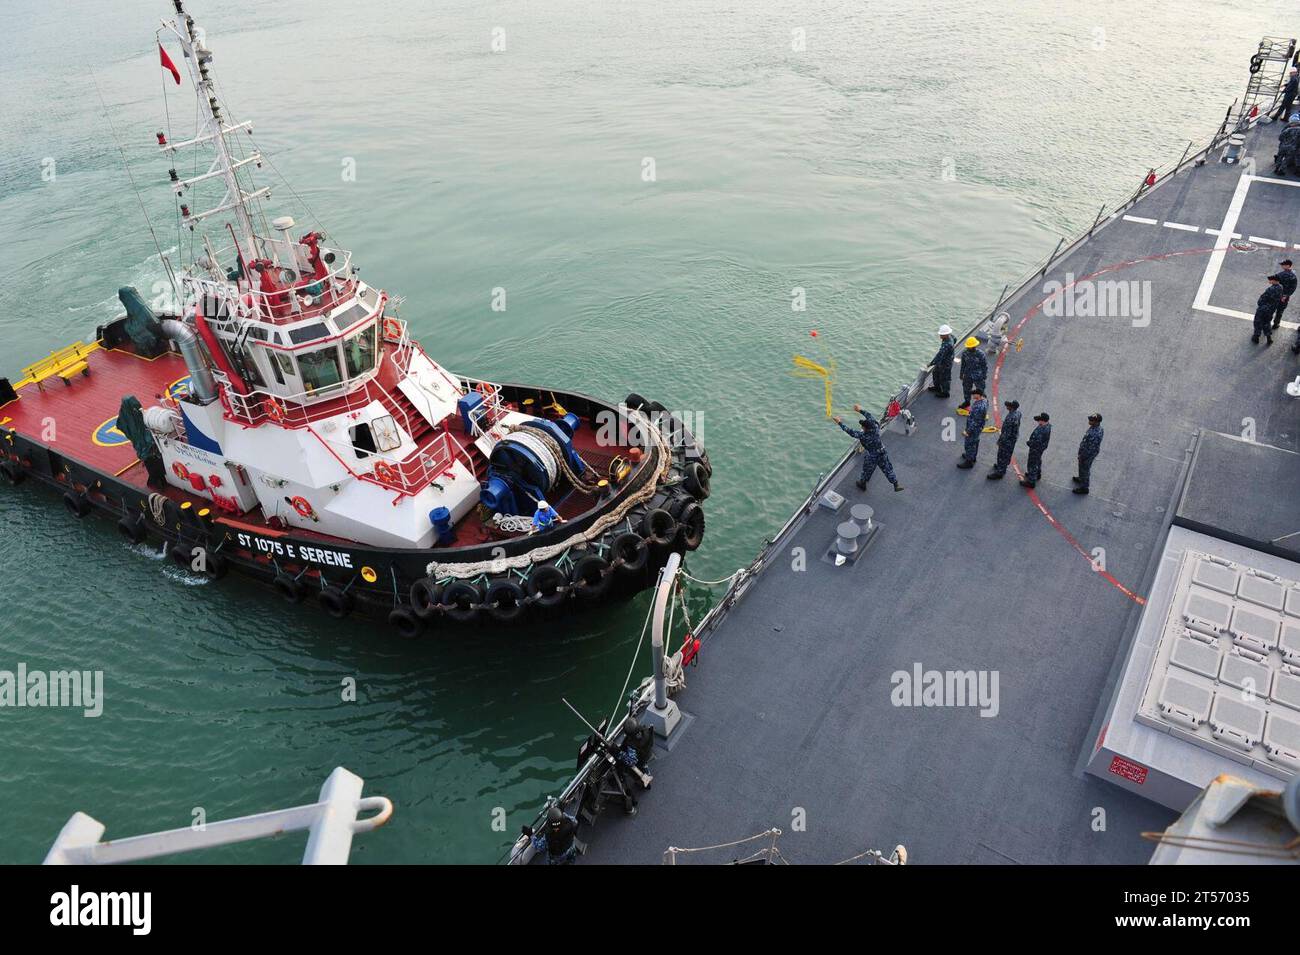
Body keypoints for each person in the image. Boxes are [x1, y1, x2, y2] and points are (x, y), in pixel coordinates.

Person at [834, 405, 904, 492]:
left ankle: (862, 483)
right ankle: (896, 484)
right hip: (882, 452)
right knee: (887, 468)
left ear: (865, 428)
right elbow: (870, 416)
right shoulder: (875, 428)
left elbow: (850, 432)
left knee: (867, 470)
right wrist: (860, 410)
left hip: (872, 456)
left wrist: (839, 422)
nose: (862, 427)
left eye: (862, 426)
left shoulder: (863, 436)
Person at [988, 400, 1021, 479]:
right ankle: (1002, 466)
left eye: (1008, 406)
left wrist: (1000, 441)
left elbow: (1007, 433)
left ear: (1011, 407)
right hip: (1013, 439)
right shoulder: (1018, 413)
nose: (1007, 407)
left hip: (1007, 440)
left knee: (1002, 455)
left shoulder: (1011, 417)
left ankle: (1000, 472)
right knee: (1007, 454)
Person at [957, 388, 987, 469]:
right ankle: (972, 457)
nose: (973, 395)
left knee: (970, 444)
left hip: (974, 428)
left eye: (974, 394)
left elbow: (976, 421)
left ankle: (969, 462)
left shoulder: (979, 407)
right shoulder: (983, 401)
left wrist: (968, 431)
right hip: (978, 427)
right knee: (975, 442)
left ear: (978, 395)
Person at [1074, 413, 1104, 495]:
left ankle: (1084, 488)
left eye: (1091, 420)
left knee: (1085, 470)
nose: (1089, 421)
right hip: (1090, 452)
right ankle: (1081, 478)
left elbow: (1089, 448)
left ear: (1096, 422)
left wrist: (1081, 456)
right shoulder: (1099, 428)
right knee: (1082, 467)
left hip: (1087, 454)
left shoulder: (1094, 433)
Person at [1019, 413, 1051, 488]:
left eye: (1039, 420)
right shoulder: (1047, 426)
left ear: (1043, 421)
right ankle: (1037, 474)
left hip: (1035, 449)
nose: (1038, 422)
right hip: (1040, 449)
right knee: (1038, 461)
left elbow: (1036, 442)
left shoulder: (1042, 430)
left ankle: (1031, 481)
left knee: (1032, 463)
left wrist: (1029, 442)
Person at [957, 337, 987, 412]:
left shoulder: (980, 354)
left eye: (971, 347)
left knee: (980, 391)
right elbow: (963, 364)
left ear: (975, 346)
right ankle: (967, 402)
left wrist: (984, 376)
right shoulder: (965, 353)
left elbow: (984, 366)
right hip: (967, 374)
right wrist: (961, 374)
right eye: (968, 347)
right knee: (966, 389)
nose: (969, 348)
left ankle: (982, 405)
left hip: (978, 375)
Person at [927, 325, 956, 398]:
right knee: (935, 372)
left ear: (946, 335)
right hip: (947, 359)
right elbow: (955, 339)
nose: (940, 336)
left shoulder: (947, 345)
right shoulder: (951, 337)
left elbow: (939, 355)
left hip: (945, 363)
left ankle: (945, 393)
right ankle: (937, 387)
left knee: (944, 377)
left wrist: (931, 363)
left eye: (941, 335)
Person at [1253, 275, 1284, 344]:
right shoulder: (1281, 287)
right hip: (1271, 309)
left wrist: (1260, 304)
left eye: (1270, 280)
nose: (1269, 281)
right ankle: (1269, 338)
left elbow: (1262, 299)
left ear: (1274, 280)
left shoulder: (1270, 289)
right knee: (1267, 323)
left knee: (1258, 322)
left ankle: (1256, 337)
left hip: (1264, 308)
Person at [1273, 259, 1297, 329]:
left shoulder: (1279, 275)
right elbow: (1293, 288)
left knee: (1270, 310)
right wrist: (1285, 296)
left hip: (1275, 296)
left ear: (1287, 266)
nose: (1281, 266)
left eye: (1283, 265)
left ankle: (1266, 323)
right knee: (1280, 312)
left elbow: (1274, 284)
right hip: (1284, 298)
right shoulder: (1293, 276)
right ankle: (1276, 324)